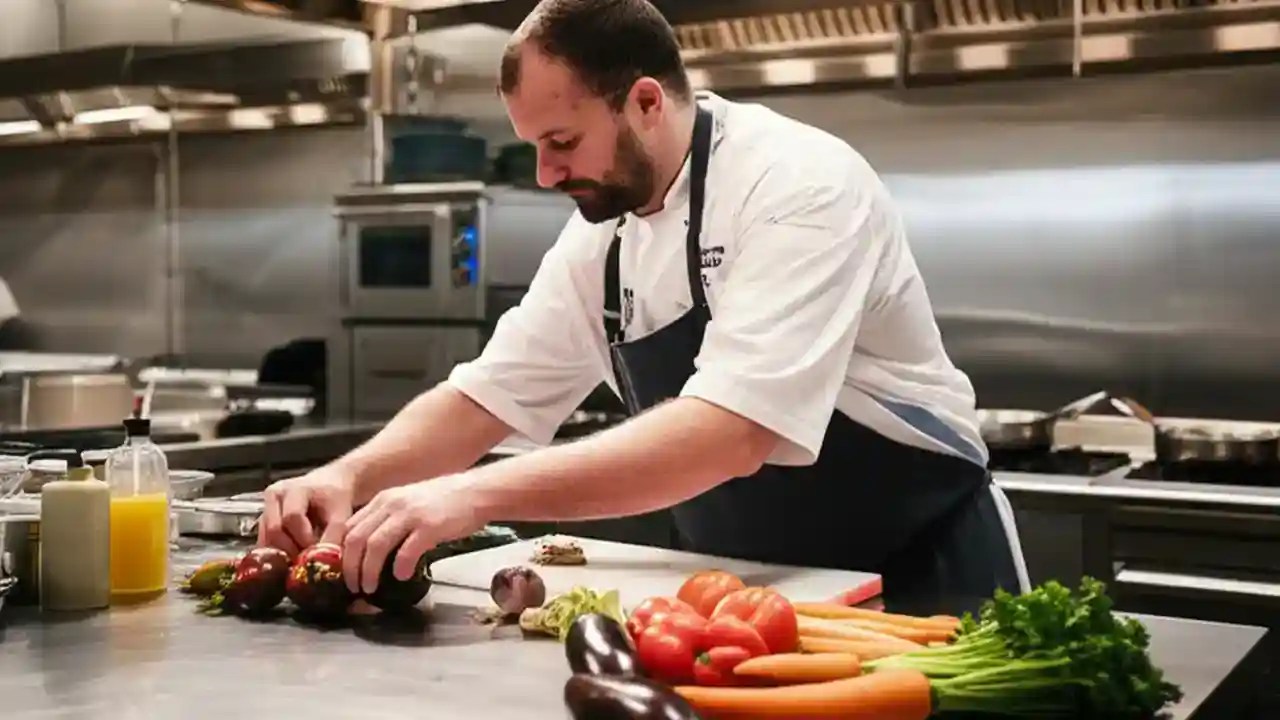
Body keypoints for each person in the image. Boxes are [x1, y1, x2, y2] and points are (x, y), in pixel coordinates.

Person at [259, 0, 1029, 610]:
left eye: (561, 140)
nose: (546, 174)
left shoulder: (799, 184)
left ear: (647, 102)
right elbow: (484, 396)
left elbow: (730, 434)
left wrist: (468, 495)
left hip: (923, 575)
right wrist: (349, 478)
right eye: (533, 146)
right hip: (753, 597)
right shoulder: (605, 236)